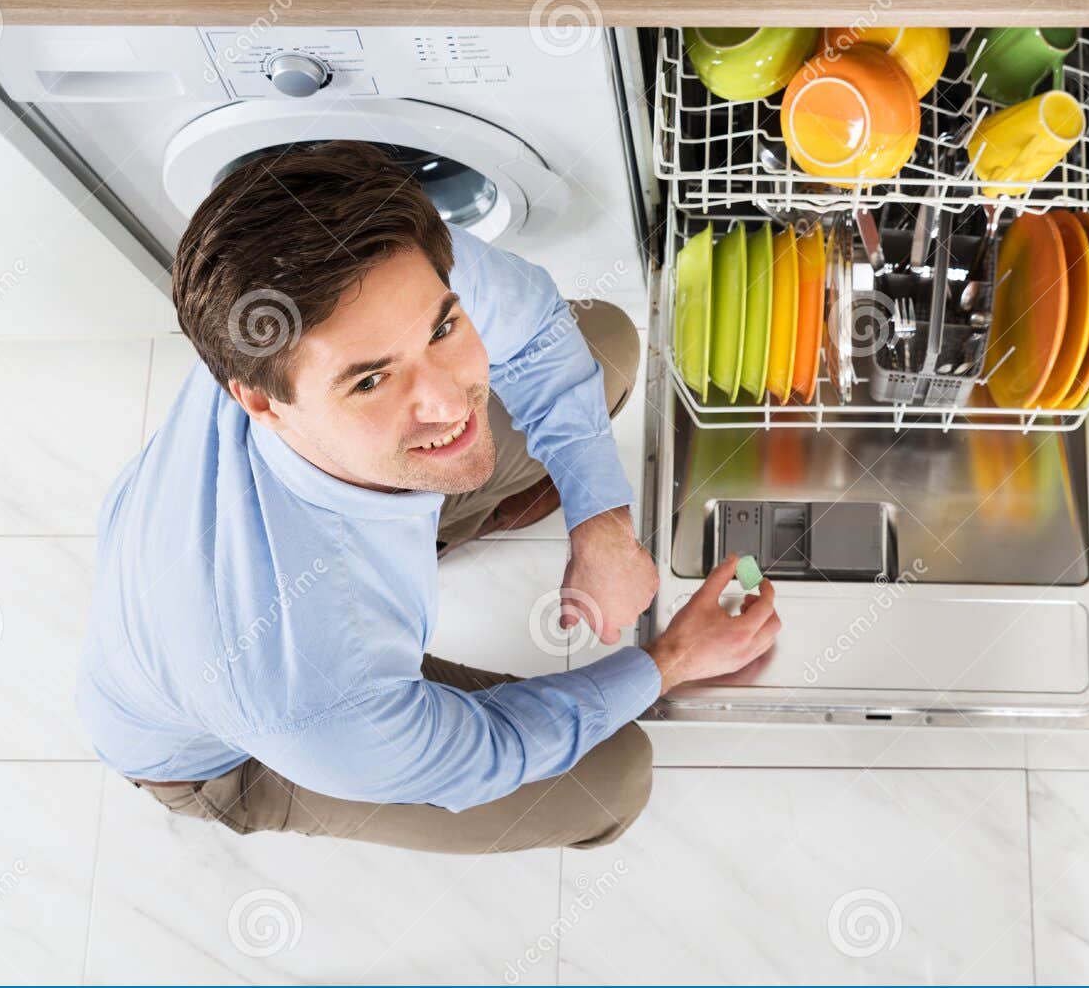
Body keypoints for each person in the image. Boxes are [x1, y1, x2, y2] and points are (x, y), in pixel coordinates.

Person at [75, 140, 780, 853]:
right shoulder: (311, 692)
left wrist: (601, 522)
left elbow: (539, 328)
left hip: (264, 562)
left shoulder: (370, 270)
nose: (450, 402)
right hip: (234, 748)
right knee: (614, 775)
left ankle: (440, 517)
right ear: (262, 403)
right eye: (370, 380)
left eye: (443, 329)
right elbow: (490, 751)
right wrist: (670, 661)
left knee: (602, 344)